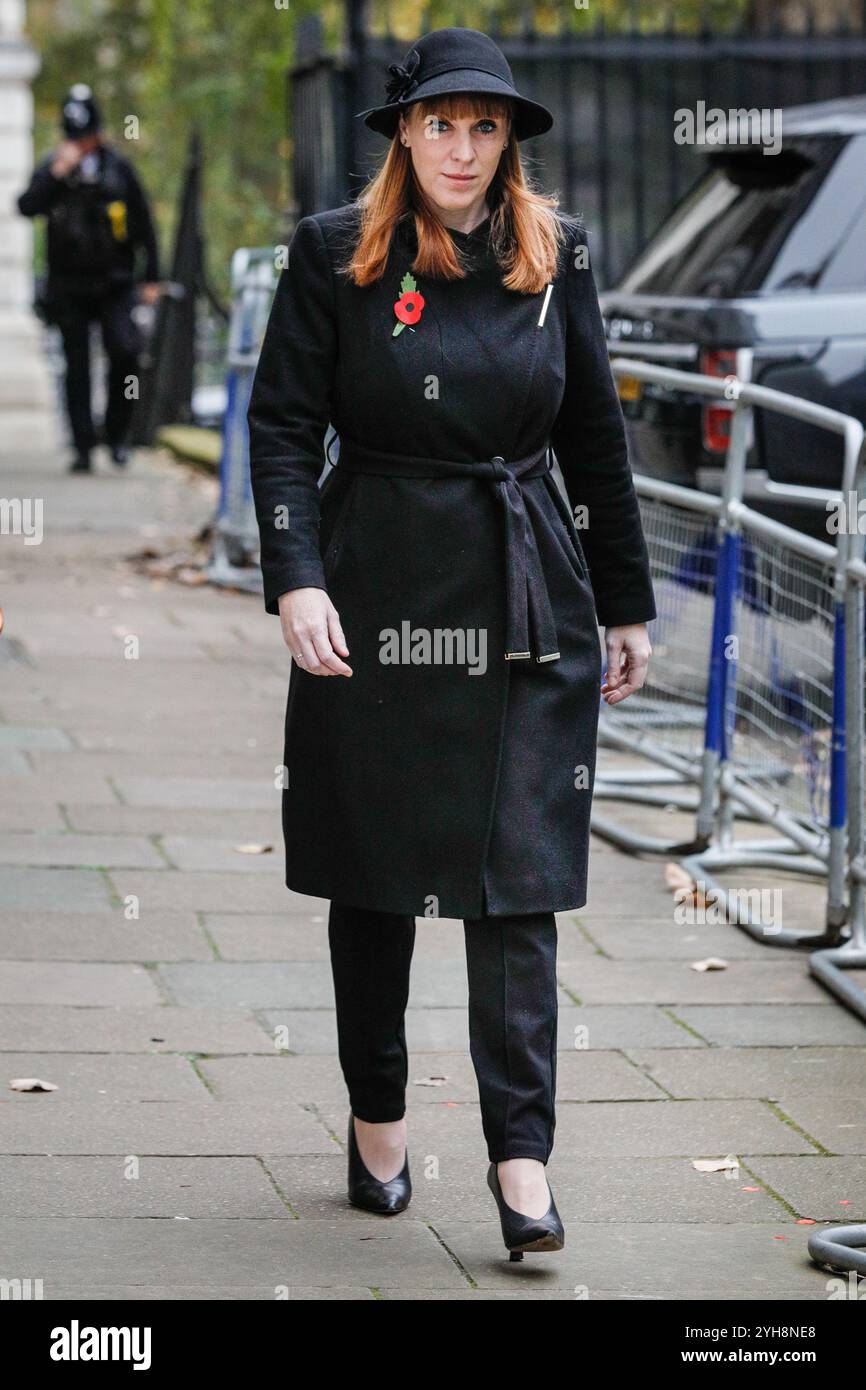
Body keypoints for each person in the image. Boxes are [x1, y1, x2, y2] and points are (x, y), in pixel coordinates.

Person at [246, 27, 655, 1261]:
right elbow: (277, 430)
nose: (462, 149)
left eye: (484, 127)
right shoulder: (334, 254)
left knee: (516, 880)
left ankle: (519, 1162)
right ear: (404, 135)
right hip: (375, 588)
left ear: (509, 139)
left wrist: (624, 603)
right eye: (440, 125)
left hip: (526, 595)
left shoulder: (555, 256)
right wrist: (294, 581)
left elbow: (594, 440)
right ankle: (378, 1122)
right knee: (373, 880)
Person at [17, 84, 161, 473]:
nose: (80, 145)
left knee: (126, 352)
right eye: (73, 138)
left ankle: (117, 436)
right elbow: (26, 206)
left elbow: (145, 224)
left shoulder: (118, 168)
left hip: (115, 283)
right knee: (75, 365)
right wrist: (56, 174)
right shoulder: (54, 170)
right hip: (68, 287)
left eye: (85, 137)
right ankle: (82, 446)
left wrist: (151, 277)